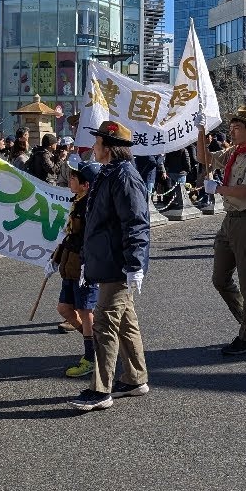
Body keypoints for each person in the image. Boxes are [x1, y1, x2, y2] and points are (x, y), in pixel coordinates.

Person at [68, 121, 151, 411]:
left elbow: (136, 222)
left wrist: (135, 263)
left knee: (104, 323)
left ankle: (101, 389)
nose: (94, 146)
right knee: (126, 321)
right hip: (110, 260)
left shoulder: (124, 177)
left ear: (109, 146)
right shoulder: (111, 173)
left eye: (98, 141)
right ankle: (135, 377)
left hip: (119, 263)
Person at [197, 105, 246, 356]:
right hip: (229, 220)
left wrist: (217, 189)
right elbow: (204, 158)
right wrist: (200, 132)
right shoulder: (234, 151)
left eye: (237, 127)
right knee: (219, 278)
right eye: (231, 127)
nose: (232, 131)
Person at [53, 160, 102, 377]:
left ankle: (91, 355)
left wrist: (68, 244)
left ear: (86, 185)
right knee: (64, 308)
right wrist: (57, 256)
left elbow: (87, 239)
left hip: (83, 266)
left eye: (74, 178)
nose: (70, 180)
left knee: (85, 310)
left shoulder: (91, 206)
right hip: (70, 265)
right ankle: (98, 345)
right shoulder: (77, 201)